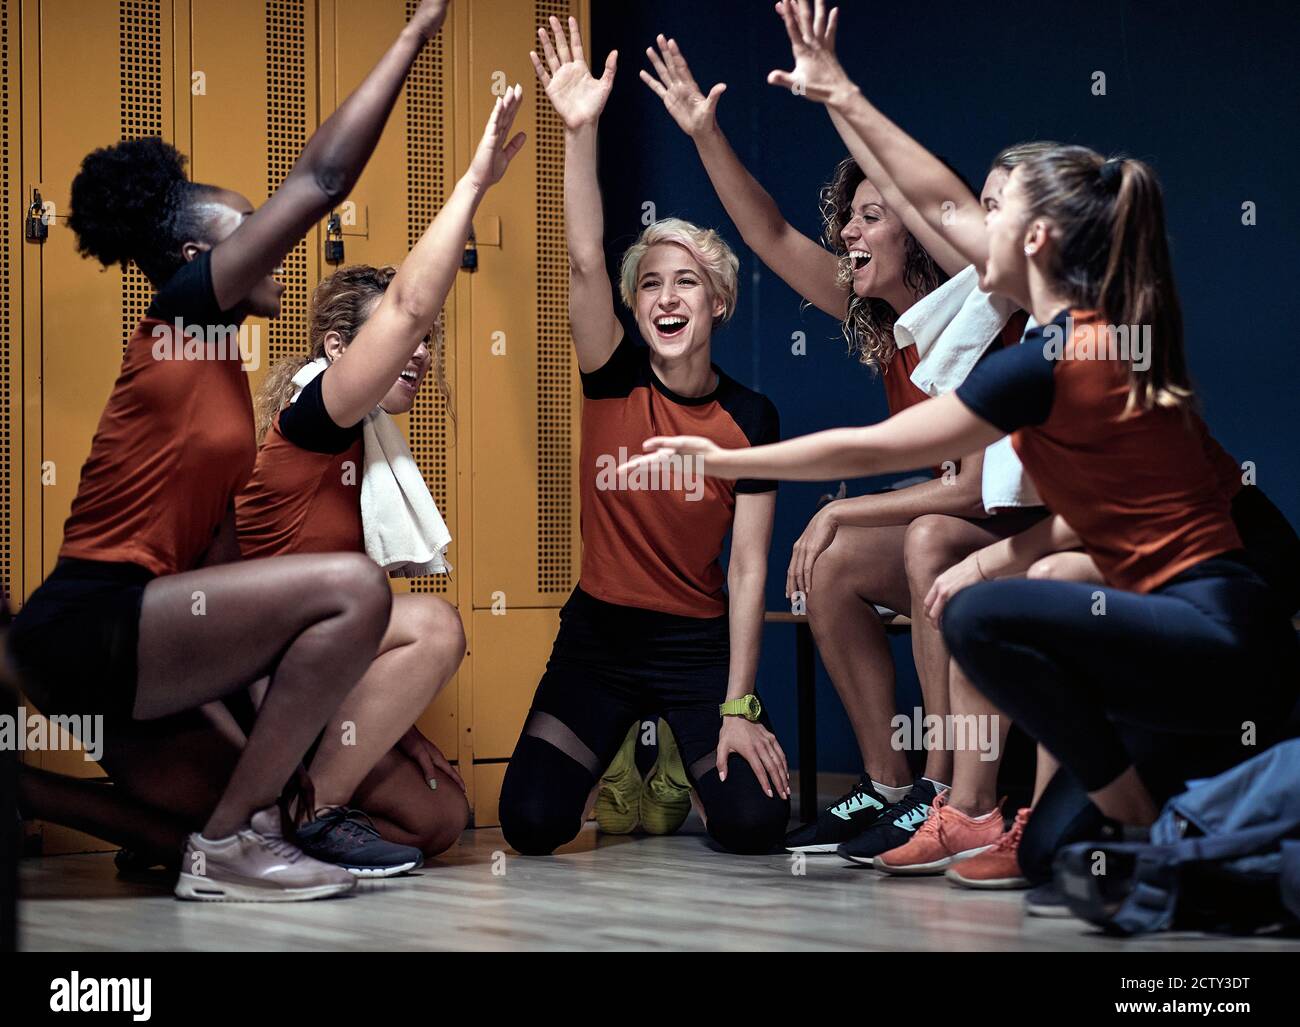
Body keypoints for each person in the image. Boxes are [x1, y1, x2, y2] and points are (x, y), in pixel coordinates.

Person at [621, 0, 1300, 867]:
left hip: (1228, 602)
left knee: (995, 588)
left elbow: (894, 438)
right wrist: (837, 93)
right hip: (1169, 608)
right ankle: (1116, 829)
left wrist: (730, 458)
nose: (966, 220)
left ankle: (1021, 807)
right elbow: (1062, 505)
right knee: (1072, 854)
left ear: (1036, 238)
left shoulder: (1063, 347)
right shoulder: (1033, 331)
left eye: (990, 209)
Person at [7, 0, 454, 902]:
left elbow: (218, 575)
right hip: (97, 621)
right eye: (247, 229)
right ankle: (235, 844)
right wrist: (411, 36)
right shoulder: (181, 311)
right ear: (192, 255)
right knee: (355, 587)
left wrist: (267, 744)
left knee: (212, 810)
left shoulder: (213, 380)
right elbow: (322, 179)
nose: (273, 247)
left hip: (144, 635)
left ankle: (216, 832)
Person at [640, 31, 1044, 856]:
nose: (850, 233)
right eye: (848, 218)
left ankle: (944, 788)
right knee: (830, 566)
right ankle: (889, 783)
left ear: (920, 239)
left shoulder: (983, 311)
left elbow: (972, 489)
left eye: (870, 216)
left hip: (1023, 531)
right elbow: (768, 236)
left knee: (922, 535)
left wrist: (845, 508)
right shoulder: (892, 324)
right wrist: (704, 133)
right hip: (971, 529)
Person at [497, 16, 788, 857]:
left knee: (753, 826)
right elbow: (586, 256)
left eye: (686, 282)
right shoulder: (611, 374)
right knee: (532, 824)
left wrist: (737, 705)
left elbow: (746, 567)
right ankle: (628, 740)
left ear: (717, 303)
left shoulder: (753, 418)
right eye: (650, 282)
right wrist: (577, 128)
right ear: (634, 305)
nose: (666, 296)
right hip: (600, 638)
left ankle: (669, 750)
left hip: (695, 648)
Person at [231, 87, 526, 872]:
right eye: (404, 340)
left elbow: (355, 631)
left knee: (439, 817)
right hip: (260, 673)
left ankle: (302, 798)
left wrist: (389, 722)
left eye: (427, 342)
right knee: (435, 626)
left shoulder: (369, 441)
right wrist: (472, 184)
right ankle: (298, 811)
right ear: (338, 350)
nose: (420, 351)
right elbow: (406, 302)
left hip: (314, 669)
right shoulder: (313, 416)